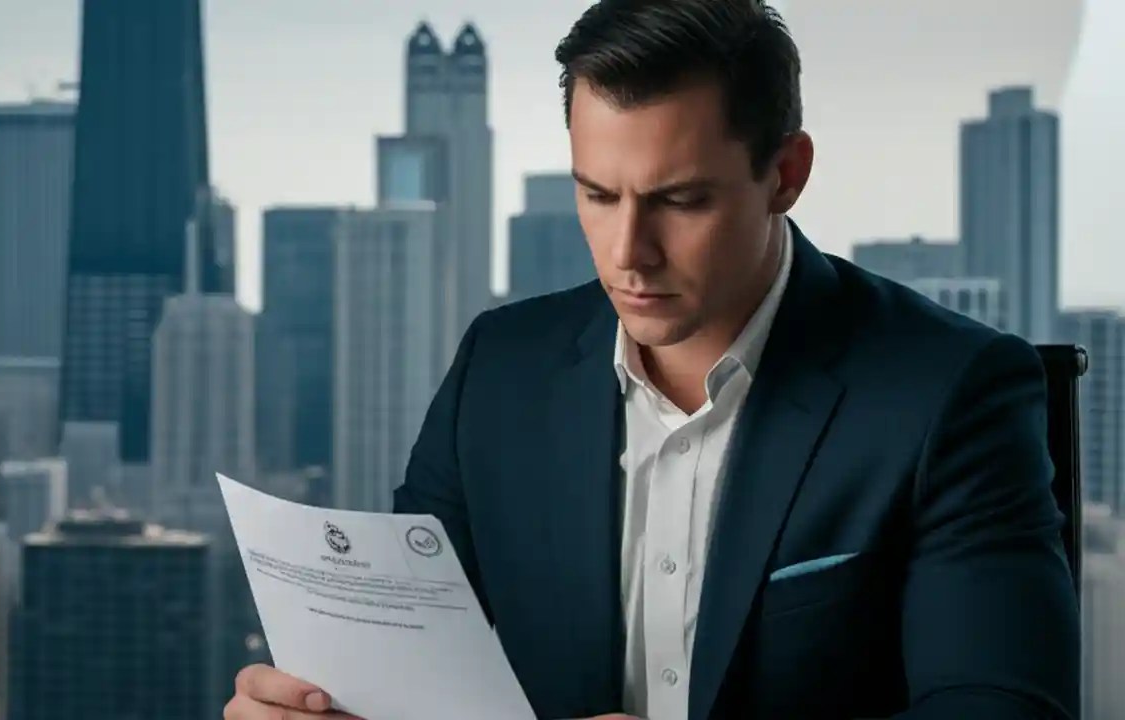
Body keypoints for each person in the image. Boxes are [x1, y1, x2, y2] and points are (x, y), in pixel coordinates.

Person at [225, 0, 1079, 718]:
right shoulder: (501, 370)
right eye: (597, 194)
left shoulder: (948, 391)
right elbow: (407, 664)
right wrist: (318, 704)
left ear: (786, 173)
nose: (629, 252)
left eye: (680, 201)